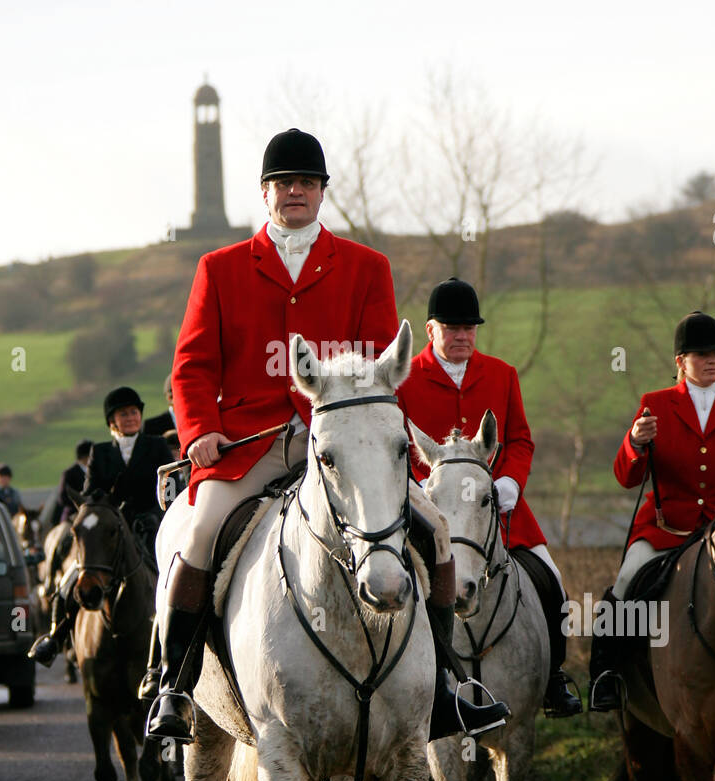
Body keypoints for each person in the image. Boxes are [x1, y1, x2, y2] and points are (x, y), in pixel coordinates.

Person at [145, 128, 508, 744]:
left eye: (307, 183)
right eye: (284, 183)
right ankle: (173, 686)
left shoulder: (367, 268)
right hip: (247, 448)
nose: (295, 192)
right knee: (200, 534)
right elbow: (192, 368)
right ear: (266, 194)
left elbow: (376, 367)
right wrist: (201, 432)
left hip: (347, 449)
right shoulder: (220, 268)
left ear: (320, 193)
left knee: (438, 532)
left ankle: (446, 687)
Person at [398, 278, 582, 717]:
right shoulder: (405, 381)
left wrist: (511, 484)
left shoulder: (502, 374)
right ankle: (400, 686)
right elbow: (395, 448)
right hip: (430, 515)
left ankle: (553, 679)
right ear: (431, 330)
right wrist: (417, 491)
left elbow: (519, 440)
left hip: (496, 509)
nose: (462, 335)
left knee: (552, 581)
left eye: (469, 328)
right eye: (452, 327)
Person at [589, 310, 715, 710]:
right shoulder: (654, 405)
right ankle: (606, 673)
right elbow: (627, 476)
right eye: (702, 354)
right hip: (668, 528)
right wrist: (635, 442)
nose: (713, 360)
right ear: (680, 362)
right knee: (627, 582)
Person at [28, 388, 172, 665]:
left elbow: (167, 490)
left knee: (176, 572)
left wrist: (154, 514)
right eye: (123, 414)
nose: (130, 418)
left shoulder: (156, 446)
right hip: (108, 530)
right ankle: (55, 635)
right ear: (112, 422)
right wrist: (103, 507)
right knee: (72, 576)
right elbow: (90, 493)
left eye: (133, 412)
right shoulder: (101, 452)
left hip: (148, 525)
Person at [54, 440, 93, 523]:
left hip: (94, 511)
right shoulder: (69, 474)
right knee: (64, 533)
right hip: (73, 514)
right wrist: (81, 504)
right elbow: (62, 498)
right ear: (84, 457)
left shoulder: (96, 472)